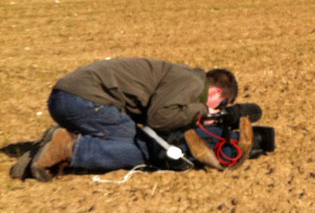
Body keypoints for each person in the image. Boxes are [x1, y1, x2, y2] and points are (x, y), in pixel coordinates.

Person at [9, 58, 252, 181]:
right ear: (216, 92)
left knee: (131, 135)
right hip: (81, 100)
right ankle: (70, 149)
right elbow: (158, 118)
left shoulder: (183, 75)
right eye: (221, 105)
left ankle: (45, 150)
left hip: (68, 98)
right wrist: (201, 111)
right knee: (144, 147)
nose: (217, 110)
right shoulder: (193, 83)